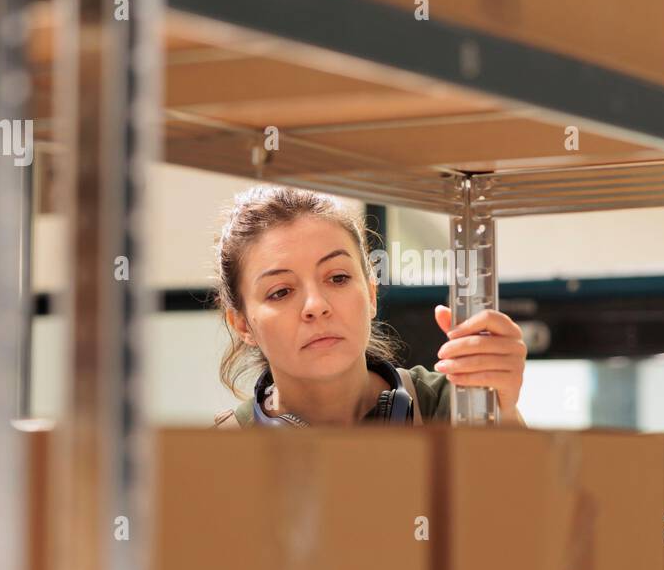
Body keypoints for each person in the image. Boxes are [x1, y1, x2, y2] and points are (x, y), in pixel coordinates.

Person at [212, 184, 527, 429]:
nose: (316, 306)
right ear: (242, 325)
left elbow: (533, 507)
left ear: (372, 294)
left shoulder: (454, 405)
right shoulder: (222, 453)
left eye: (337, 278)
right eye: (280, 292)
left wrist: (504, 415)